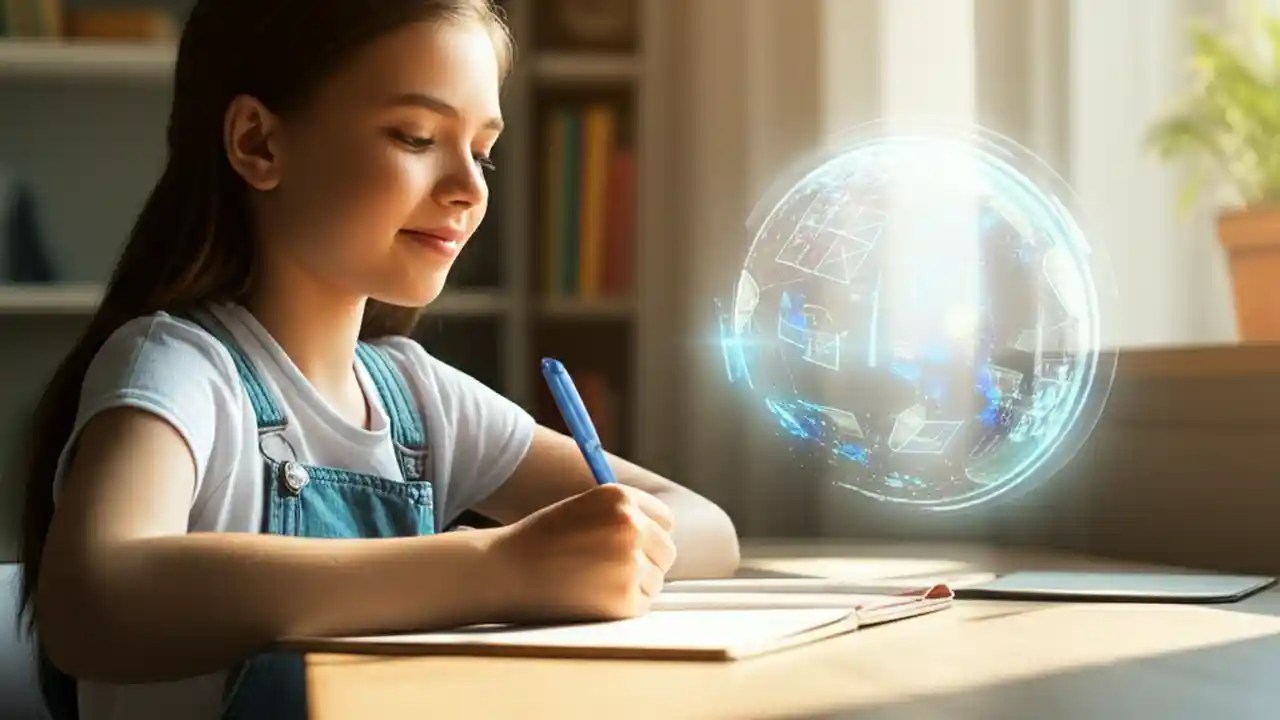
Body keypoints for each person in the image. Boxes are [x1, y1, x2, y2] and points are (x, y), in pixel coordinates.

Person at [16, 1, 740, 718]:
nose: (471, 188)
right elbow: (95, 599)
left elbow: (709, 527)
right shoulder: (179, 368)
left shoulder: (418, 399)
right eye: (416, 137)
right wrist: (492, 568)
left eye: (482, 152)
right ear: (258, 143)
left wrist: (612, 545)